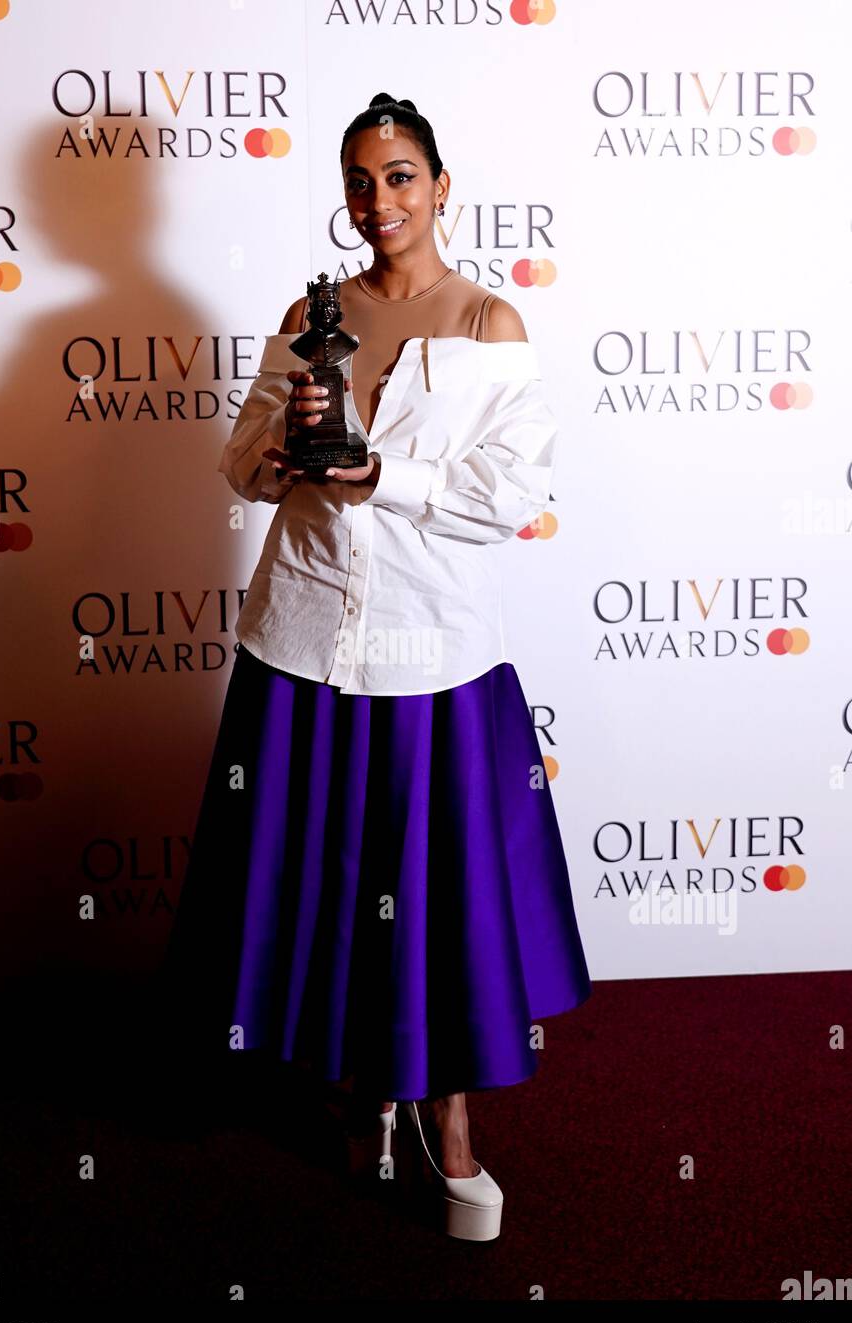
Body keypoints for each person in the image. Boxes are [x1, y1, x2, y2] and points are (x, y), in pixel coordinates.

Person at [162, 92, 592, 1242]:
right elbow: (242, 465)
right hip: (302, 642)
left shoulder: (490, 323)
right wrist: (290, 436)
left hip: (434, 658)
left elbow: (507, 498)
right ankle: (364, 1091)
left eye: (399, 176)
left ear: (439, 186)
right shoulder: (308, 318)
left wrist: (378, 479)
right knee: (333, 882)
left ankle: (448, 1127)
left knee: (437, 896)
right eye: (359, 180)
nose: (378, 200)